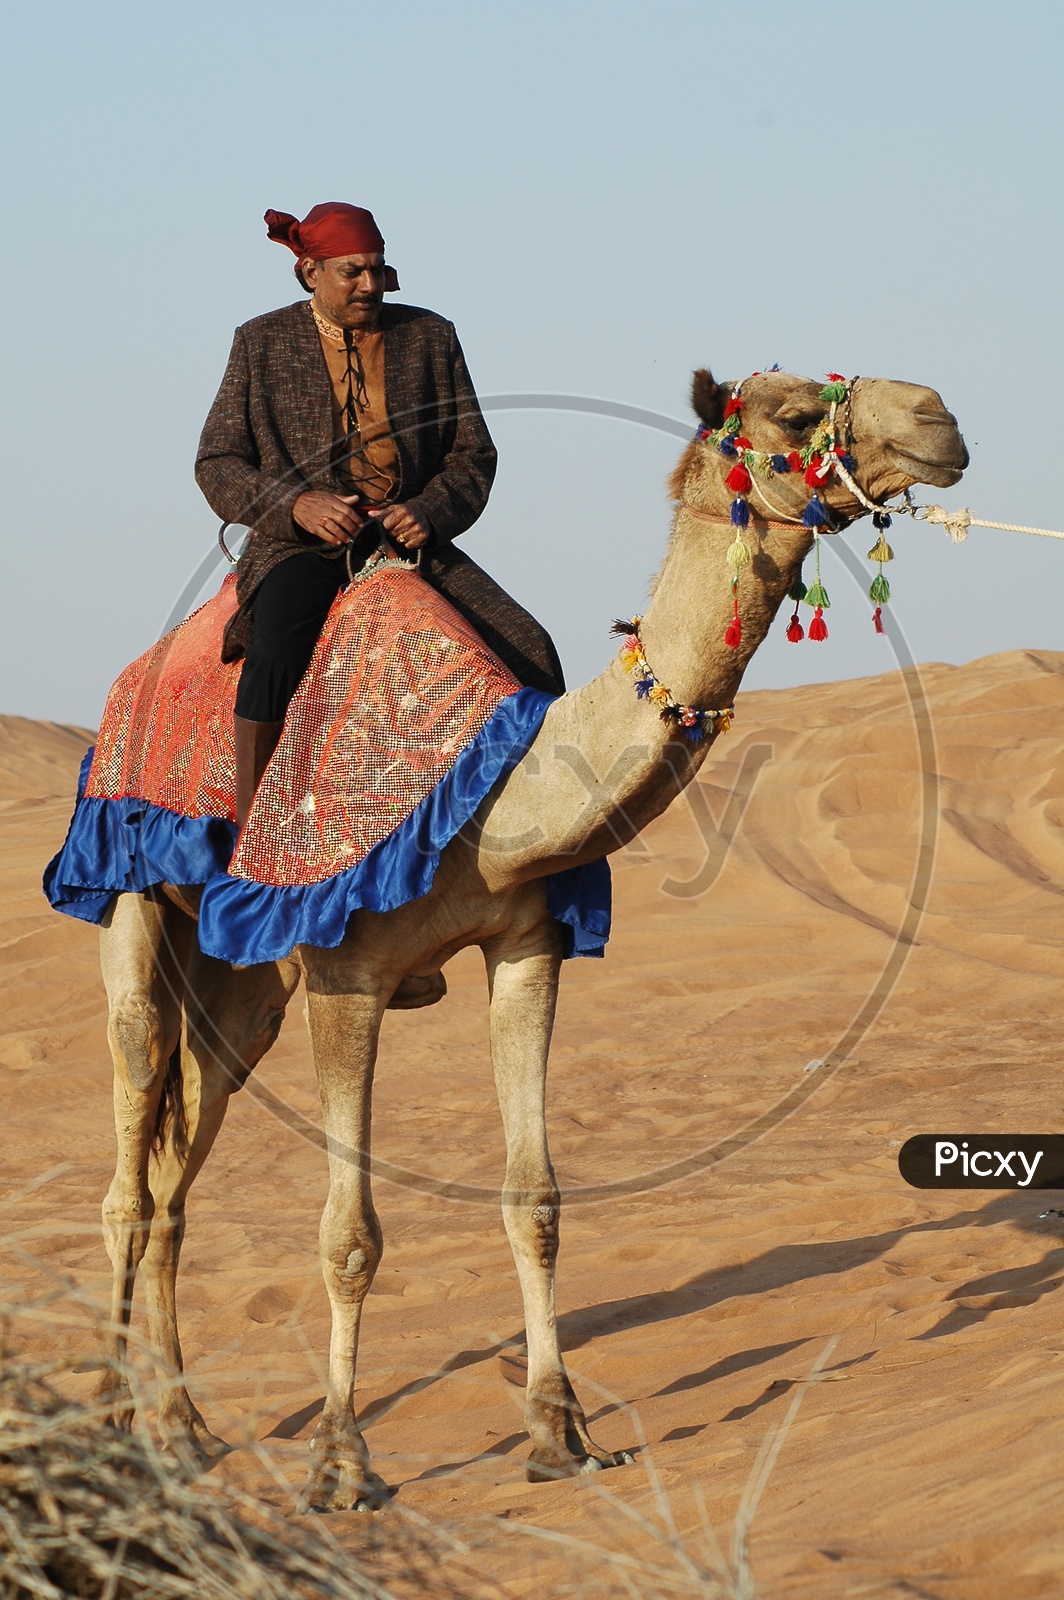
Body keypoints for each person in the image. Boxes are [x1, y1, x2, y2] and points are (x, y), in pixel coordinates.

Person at [196, 201, 564, 827]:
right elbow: (218, 461)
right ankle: (254, 832)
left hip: (408, 539)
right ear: (310, 272)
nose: (370, 285)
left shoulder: (430, 335)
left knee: (529, 649)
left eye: (379, 271)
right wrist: (296, 506)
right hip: (302, 544)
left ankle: (542, 831)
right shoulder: (260, 342)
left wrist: (430, 509)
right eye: (353, 273)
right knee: (275, 653)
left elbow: (474, 453)